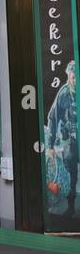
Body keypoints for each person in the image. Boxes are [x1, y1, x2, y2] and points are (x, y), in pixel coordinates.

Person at [45, 60, 77, 217]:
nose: (76, 81)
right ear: (69, 77)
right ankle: (71, 207)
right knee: (72, 172)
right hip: (69, 140)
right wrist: (50, 145)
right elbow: (52, 117)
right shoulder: (64, 93)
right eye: (73, 77)